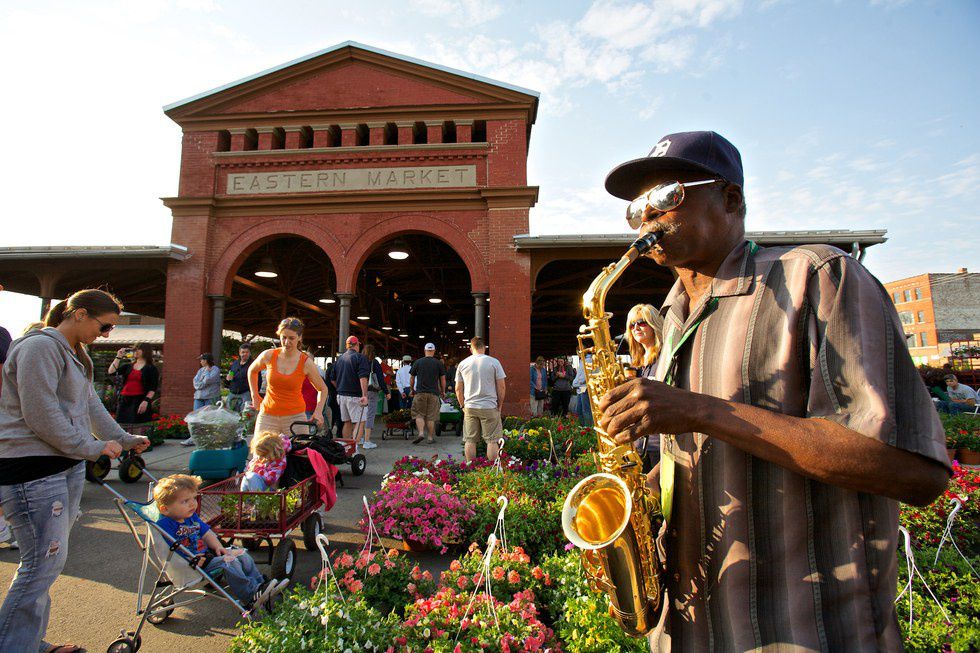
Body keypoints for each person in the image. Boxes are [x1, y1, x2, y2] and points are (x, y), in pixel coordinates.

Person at [597, 130, 949, 650]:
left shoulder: (818, 277)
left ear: (731, 198)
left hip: (803, 630)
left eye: (667, 195)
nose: (648, 215)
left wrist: (701, 411)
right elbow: (700, 452)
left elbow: (913, 470)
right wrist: (635, 497)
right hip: (691, 629)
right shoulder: (670, 318)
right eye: (636, 208)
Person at [0, 289, 150, 653]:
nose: (107, 334)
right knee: (39, 566)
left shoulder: (76, 353)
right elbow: (41, 413)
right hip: (33, 468)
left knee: (46, 566)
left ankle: (28, 642)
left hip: (63, 466)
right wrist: (92, 447)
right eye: (105, 326)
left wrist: (122, 438)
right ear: (79, 314)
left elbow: (90, 406)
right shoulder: (39, 348)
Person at [153, 474, 284, 610]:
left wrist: (219, 547)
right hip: (192, 564)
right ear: (165, 509)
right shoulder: (165, 525)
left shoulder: (190, 517)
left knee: (242, 555)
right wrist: (191, 559)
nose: (192, 503)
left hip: (207, 557)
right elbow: (170, 550)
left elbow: (206, 533)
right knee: (229, 562)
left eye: (194, 498)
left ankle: (261, 586)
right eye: (185, 501)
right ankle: (250, 595)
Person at [248, 317, 326, 438]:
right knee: (261, 448)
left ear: (299, 337)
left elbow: (323, 389)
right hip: (268, 414)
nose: (286, 342)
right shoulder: (269, 355)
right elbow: (252, 371)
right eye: (283, 337)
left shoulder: (306, 362)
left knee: (299, 449)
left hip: (295, 417)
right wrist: (255, 395)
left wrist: (318, 411)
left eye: (291, 338)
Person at [455, 337, 506, 462]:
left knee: (470, 440)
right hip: (489, 406)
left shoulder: (463, 364)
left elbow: (458, 389)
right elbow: (501, 386)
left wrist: (462, 405)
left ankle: (470, 467)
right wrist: (500, 405)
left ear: (471, 348)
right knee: (492, 441)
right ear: (484, 347)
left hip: (470, 406)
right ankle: (492, 469)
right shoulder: (494, 362)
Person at [328, 336, 370, 440]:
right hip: (356, 396)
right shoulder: (360, 358)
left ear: (347, 346)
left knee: (347, 422)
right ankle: (354, 447)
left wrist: (340, 388)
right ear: (357, 345)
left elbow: (332, 379)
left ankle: (346, 446)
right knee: (360, 422)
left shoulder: (340, 359)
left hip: (341, 396)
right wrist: (364, 395)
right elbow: (363, 377)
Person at [107, 343, 159, 424]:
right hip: (124, 400)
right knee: (121, 424)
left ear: (146, 351)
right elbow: (111, 372)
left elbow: (153, 388)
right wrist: (118, 357)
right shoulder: (128, 366)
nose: (135, 351)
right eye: (135, 349)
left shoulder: (151, 368)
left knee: (137, 425)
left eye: (138, 349)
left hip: (139, 400)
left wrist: (146, 401)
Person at [181, 352, 223, 446]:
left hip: (210, 397)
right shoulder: (200, 370)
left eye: (202, 360)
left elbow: (208, 380)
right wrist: (202, 383)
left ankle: (208, 439)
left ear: (206, 360)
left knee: (208, 418)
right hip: (199, 397)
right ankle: (194, 438)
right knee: (195, 418)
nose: (200, 361)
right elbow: (195, 382)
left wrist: (206, 374)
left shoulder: (215, 369)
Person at [410, 343, 446, 445]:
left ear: (425, 350)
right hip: (433, 393)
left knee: (419, 414)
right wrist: (443, 391)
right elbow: (442, 379)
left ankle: (421, 433)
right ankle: (430, 437)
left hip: (420, 392)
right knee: (431, 416)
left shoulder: (418, 362)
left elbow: (412, 378)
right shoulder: (439, 363)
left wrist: (412, 389)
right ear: (434, 351)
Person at [359, 344, 389, 449]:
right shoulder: (374, 362)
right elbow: (380, 378)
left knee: (360, 415)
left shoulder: (359, 361)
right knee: (370, 415)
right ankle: (367, 441)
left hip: (359, 391)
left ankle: (359, 438)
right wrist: (386, 392)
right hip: (371, 391)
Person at [226, 343, 253, 412]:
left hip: (245, 393)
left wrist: (252, 393)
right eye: (243, 352)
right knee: (229, 413)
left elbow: (258, 380)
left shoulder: (253, 364)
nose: (245, 354)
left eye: (247, 352)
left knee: (245, 414)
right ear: (239, 353)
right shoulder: (235, 363)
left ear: (250, 353)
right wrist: (228, 378)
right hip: (233, 392)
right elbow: (231, 373)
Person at [572, 355, 593, 428]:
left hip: (585, 387)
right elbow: (579, 375)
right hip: (580, 388)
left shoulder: (589, 360)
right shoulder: (582, 361)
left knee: (586, 409)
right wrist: (575, 382)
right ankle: (582, 426)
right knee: (579, 409)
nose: (578, 353)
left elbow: (587, 375)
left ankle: (588, 428)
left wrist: (577, 382)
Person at [324, 356, 343, 437]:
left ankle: (329, 433)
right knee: (339, 416)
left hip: (330, 395)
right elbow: (333, 380)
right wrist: (340, 389)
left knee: (331, 417)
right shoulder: (336, 367)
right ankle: (339, 434)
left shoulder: (330, 368)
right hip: (336, 395)